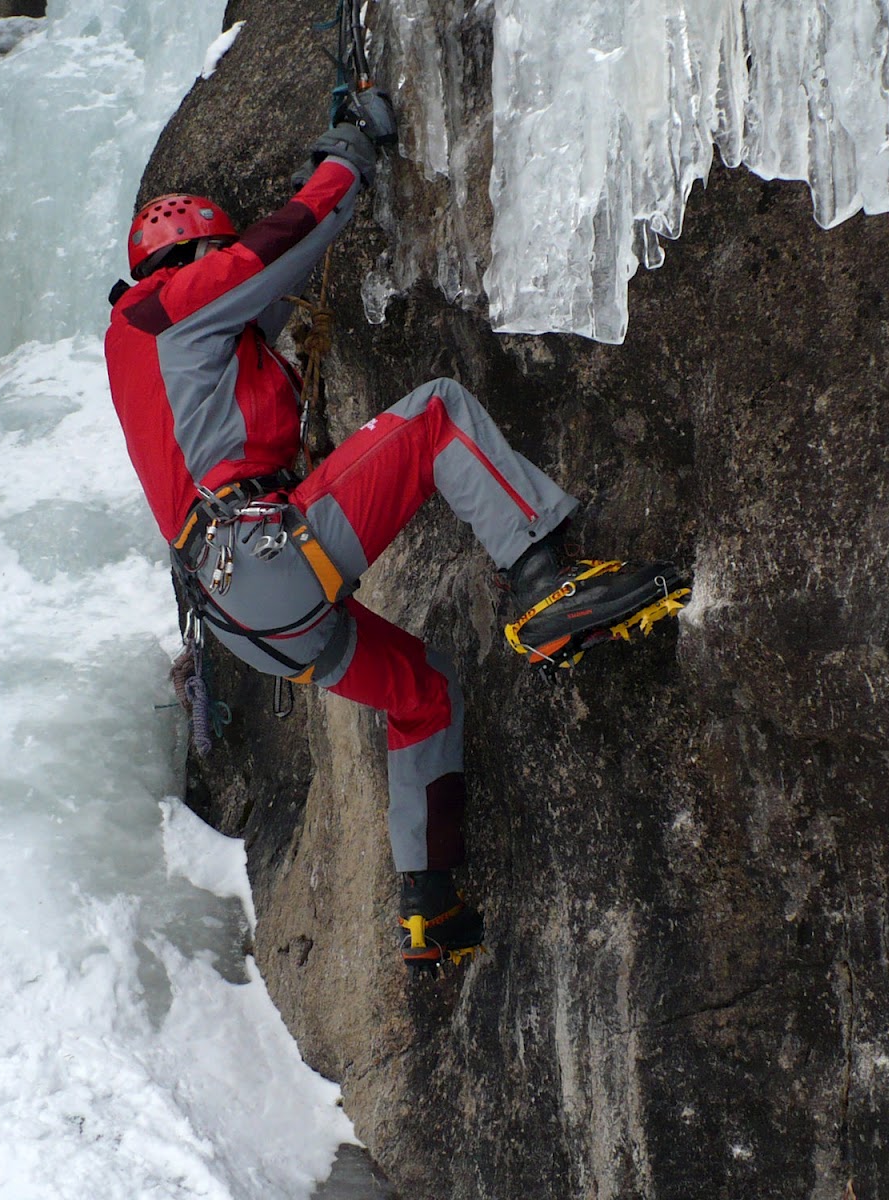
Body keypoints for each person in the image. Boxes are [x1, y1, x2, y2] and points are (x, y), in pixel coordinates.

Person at [103, 93, 685, 972]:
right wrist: (344, 164)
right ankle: (541, 586)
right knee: (438, 415)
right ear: (190, 258)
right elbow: (270, 253)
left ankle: (430, 902)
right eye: (217, 262)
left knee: (423, 693)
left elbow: (253, 304)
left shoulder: (166, 360)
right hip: (261, 558)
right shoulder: (165, 307)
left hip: (250, 621)